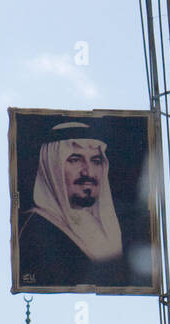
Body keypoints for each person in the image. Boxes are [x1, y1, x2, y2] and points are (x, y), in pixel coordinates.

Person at [18, 120, 132, 289]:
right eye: (75, 159)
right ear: (52, 167)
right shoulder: (35, 229)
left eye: (95, 161)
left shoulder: (108, 227)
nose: (88, 172)